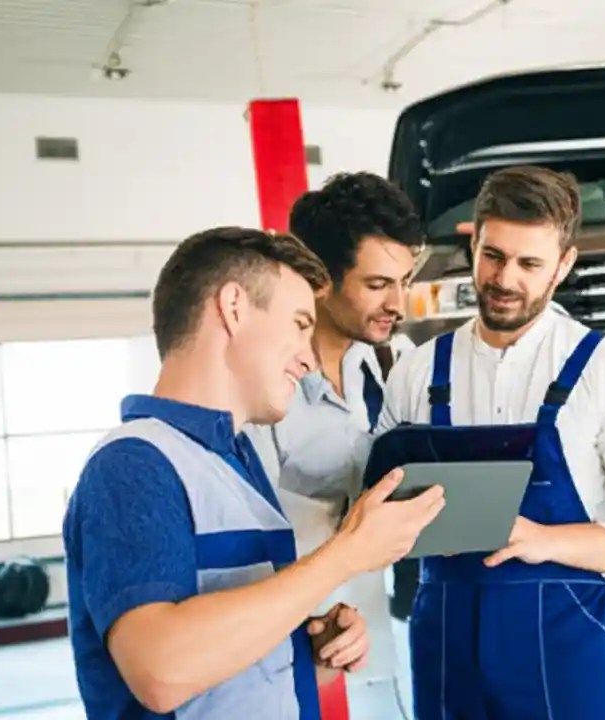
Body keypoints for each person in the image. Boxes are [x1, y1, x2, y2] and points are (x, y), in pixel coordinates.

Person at [62, 226, 444, 719]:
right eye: (300, 324)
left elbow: (225, 664)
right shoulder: (135, 463)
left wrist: (309, 648)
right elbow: (161, 671)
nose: (309, 360)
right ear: (234, 307)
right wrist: (345, 554)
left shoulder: (236, 461)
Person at [377, 166, 605, 719]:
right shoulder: (415, 372)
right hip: (446, 638)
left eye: (529, 264)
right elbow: (371, 500)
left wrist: (541, 540)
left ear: (564, 264)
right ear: (472, 241)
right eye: (493, 256)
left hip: (568, 635)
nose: (505, 279)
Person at [246, 172, 423, 679]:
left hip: (384, 626)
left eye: (403, 283)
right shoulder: (265, 386)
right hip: (286, 631)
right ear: (321, 279)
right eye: (377, 285)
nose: (398, 305)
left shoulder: (398, 362)